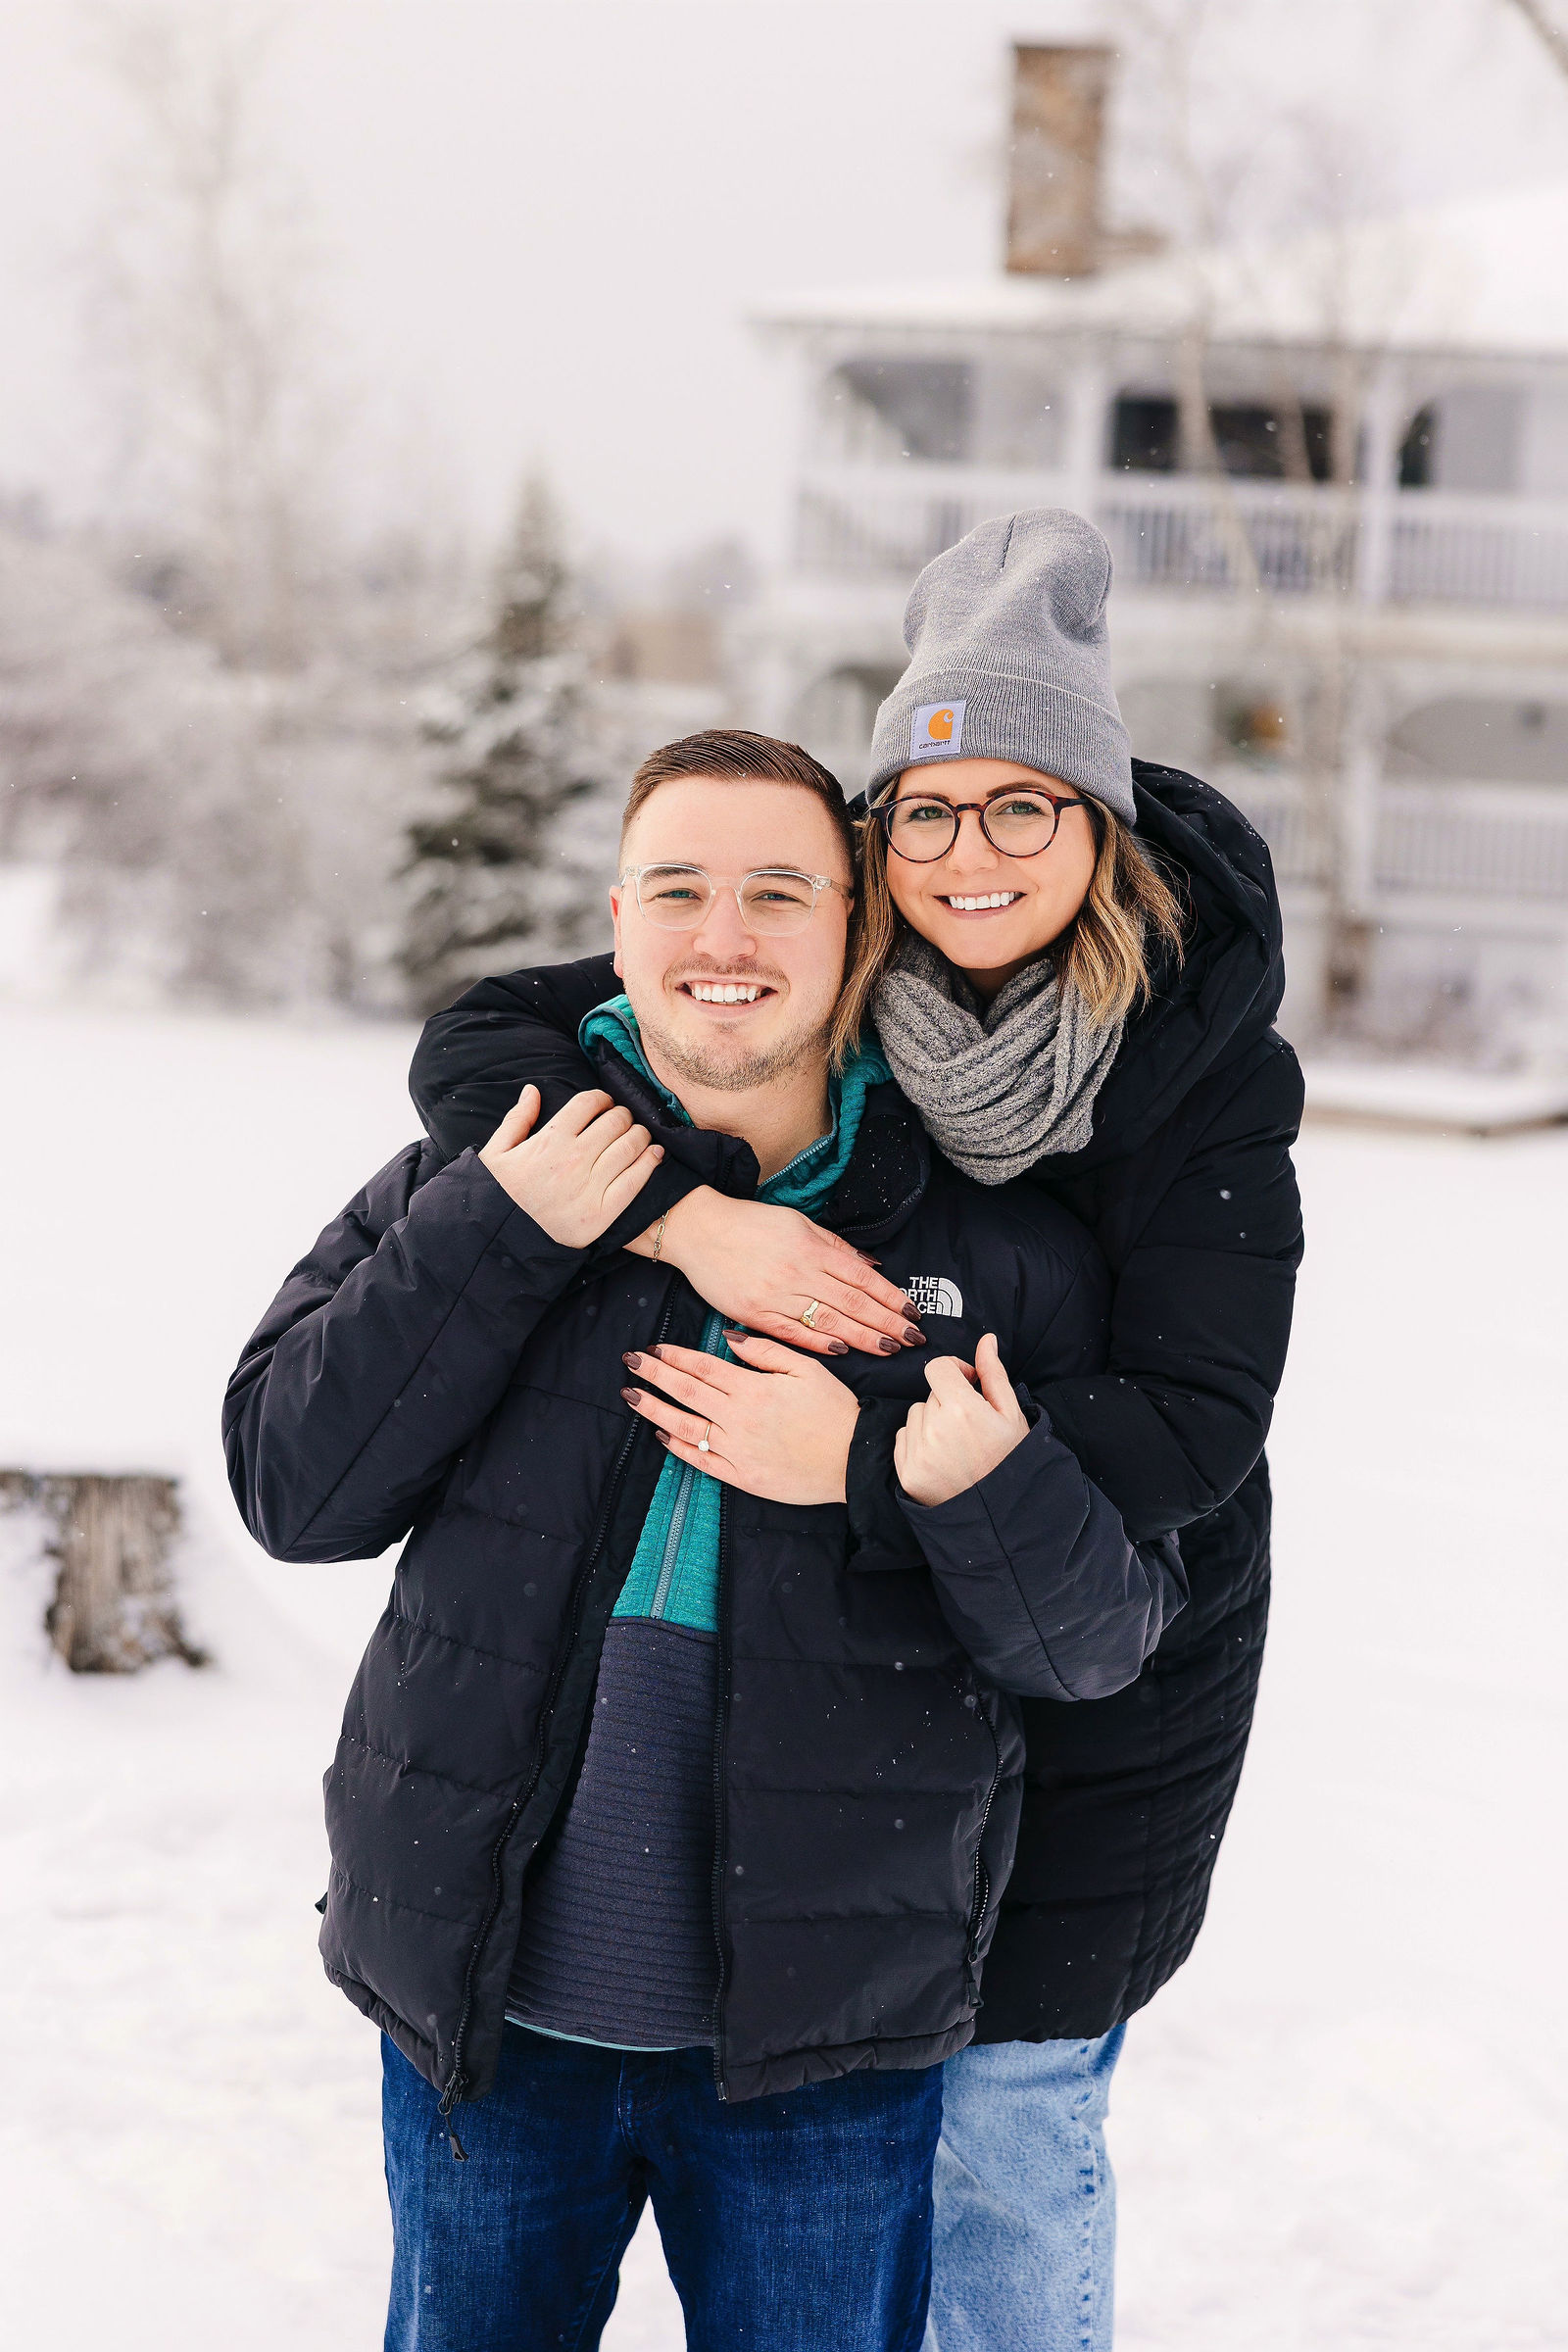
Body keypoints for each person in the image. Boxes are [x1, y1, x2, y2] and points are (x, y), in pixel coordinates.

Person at [408, 510, 1306, 2352]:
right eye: (929, 808)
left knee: (1001, 2124)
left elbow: (1192, 1429)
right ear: (877, 839)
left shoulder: (1196, 1054)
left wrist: (878, 1457)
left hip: (1109, 1657)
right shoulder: (831, 984)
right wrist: (689, 1213)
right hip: (878, 1669)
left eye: (1025, 806)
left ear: (1099, 825)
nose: (973, 854)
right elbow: (480, 1043)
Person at [222, 724, 1184, 2352]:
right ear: (616, 913)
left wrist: (931, 1475)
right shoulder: (487, 1168)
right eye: (677, 889)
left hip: (823, 2047)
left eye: (776, 893)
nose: (722, 939)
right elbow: (292, 1488)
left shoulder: (995, 1253)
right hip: (485, 2005)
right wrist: (506, 1230)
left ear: (856, 927)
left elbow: (1095, 1641)